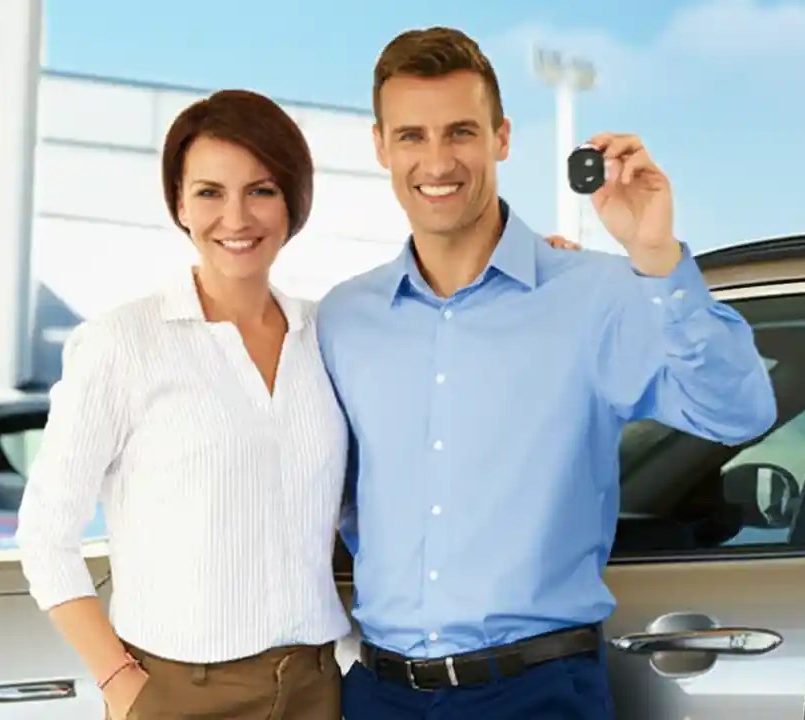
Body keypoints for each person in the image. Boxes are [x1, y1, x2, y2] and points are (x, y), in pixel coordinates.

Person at [15, 87, 581, 719]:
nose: (236, 218)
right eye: (209, 192)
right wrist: (123, 683)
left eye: (260, 190)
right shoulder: (121, 343)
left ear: (293, 201)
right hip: (178, 692)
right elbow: (44, 539)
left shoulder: (331, 333)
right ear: (178, 202)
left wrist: (531, 286)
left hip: (318, 686)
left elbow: (432, 415)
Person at [316, 27, 778, 719]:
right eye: (412, 136)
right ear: (381, 146)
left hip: (537, 694)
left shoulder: (598, 296)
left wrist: (656, 254)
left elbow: (737, 412)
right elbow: (334, 495)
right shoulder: (345, 319)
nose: (437, 161)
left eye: (461, 132)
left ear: (502, 137)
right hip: (380, 695)